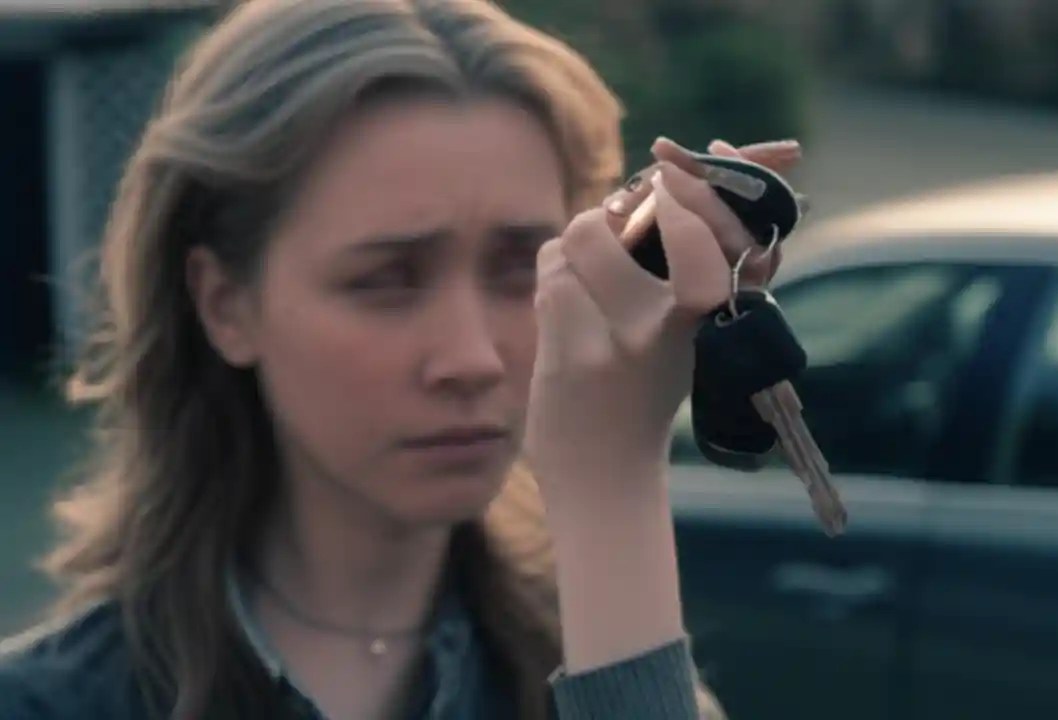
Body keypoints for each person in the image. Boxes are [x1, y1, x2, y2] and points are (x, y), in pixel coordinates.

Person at [0, 1, 802, 719]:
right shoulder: (49, 704)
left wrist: (613, 490)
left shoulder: (611, 660)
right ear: (224, 303)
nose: (472, 358)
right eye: (385, 280)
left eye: (519, 267)